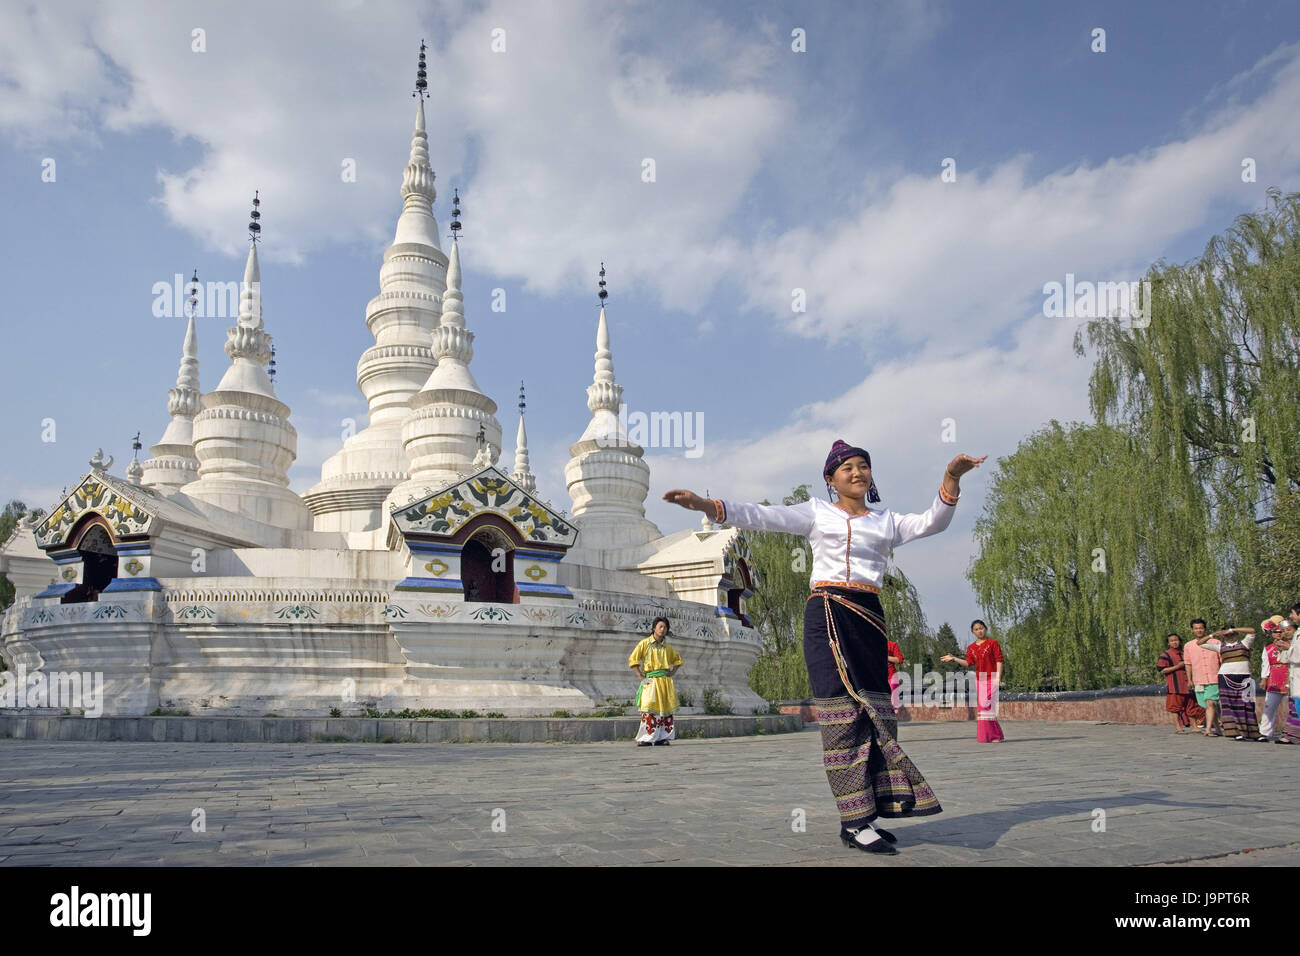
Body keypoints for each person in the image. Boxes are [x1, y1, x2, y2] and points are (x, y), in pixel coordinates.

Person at [664, 440, 986, 855]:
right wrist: (708, 505)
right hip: (828, 614)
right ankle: (855, 822)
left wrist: (952, 478)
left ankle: (871, 808)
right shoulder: (817, 512)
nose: (857, 473)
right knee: (842, 713)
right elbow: (765, 515)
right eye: (847, 468)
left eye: (863, 466)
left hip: (869, 617)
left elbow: (933, 523)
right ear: (831, 480)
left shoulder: (886, 521)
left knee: (877, 714)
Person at [941, 620, 1005, 742]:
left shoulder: (993, 643)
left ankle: (994, 735)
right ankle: (993, 735)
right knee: (983, 708)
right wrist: (954, 658)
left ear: (985, 629)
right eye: (976, 629)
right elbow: (968, 663)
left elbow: (999, 660)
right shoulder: (971, 648)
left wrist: (998, 677)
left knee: (987, 707)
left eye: (981, 628)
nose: (979, 631)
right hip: (979, 680)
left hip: (992, 678)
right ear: (973, 632)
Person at [1195, 624, 1259, 740]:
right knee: (1230, 705)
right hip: (1226, 677)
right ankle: (1234, 731)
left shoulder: (1244, 643)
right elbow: (1200, 643)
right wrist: (1213, 635)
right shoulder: (1220, 647)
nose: (1230, 636)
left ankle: (1252, 732)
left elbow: (1252, 630)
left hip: (1243, 677)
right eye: (1227, 635)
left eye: (1232, 634)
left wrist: (1233, 629)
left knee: (1247, 704)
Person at [628, 617, 683, 746]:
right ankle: (646, 738)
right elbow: (633, 660)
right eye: (661, 627)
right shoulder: (644, 644)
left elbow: (677, 660)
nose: (663, 630)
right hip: (651, 681)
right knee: (649, 709)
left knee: (664, 710)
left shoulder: (668, 647)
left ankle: (661, 738)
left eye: (665, 627)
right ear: (654, 628)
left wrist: (672, 672)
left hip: (664, 681)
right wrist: (641, 677)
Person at [1156, 633, 1205, 734]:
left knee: (1191, 706)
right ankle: (1178, 727)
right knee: (1175, 707)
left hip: (1189, 684)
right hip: (1175, 685)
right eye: (1172, 641)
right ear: (1168, 643)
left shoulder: (1185, 653)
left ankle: (1194, 726)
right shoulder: (1165, 655)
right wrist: (1177, 666)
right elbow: (1162, 670)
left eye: (1176, 640)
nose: (1174, 642)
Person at [1183, 619, 1222, 736]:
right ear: (1192, 630)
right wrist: (1189, 680)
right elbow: (1188, 664)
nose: (1199, 630)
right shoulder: (1189, 646)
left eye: (1201, 628)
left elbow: (1222, 660)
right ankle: (1217, 728)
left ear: (1205, 629)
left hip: (1214, 677)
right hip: (1198, 679)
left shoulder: (1215, 643)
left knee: (1210, 703)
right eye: (1196, 628)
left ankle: (1208, 730)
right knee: (1206, 705)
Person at [1260, 616, 1290, 742]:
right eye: (1275, 632)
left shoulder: (1291, 645)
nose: (1277, 634)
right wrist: (1264, 679)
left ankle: (1292, 732)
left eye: (1280, 631)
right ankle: (1265, 732)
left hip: (1290, 676)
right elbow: (1265, 665)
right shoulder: (1268, 649)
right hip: (1274, 678)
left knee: (1293, 707)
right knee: (1269, 707)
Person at [1272, 619, 1300, 744]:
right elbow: (1286, 659)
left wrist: (1288, 647)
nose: (1286, 632)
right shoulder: (1295, 639)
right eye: (1284, 630)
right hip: (1295, 679)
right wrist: (1283, 648)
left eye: (1289, 630)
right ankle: (1291, 734)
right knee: (1294, 707)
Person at [887, 639, 905, 709]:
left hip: (891, 677)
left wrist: (885, 656)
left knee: (894, 702)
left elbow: (900, 660)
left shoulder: (892, 644)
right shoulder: (871, 645)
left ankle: (894, 716)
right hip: (877, 677)